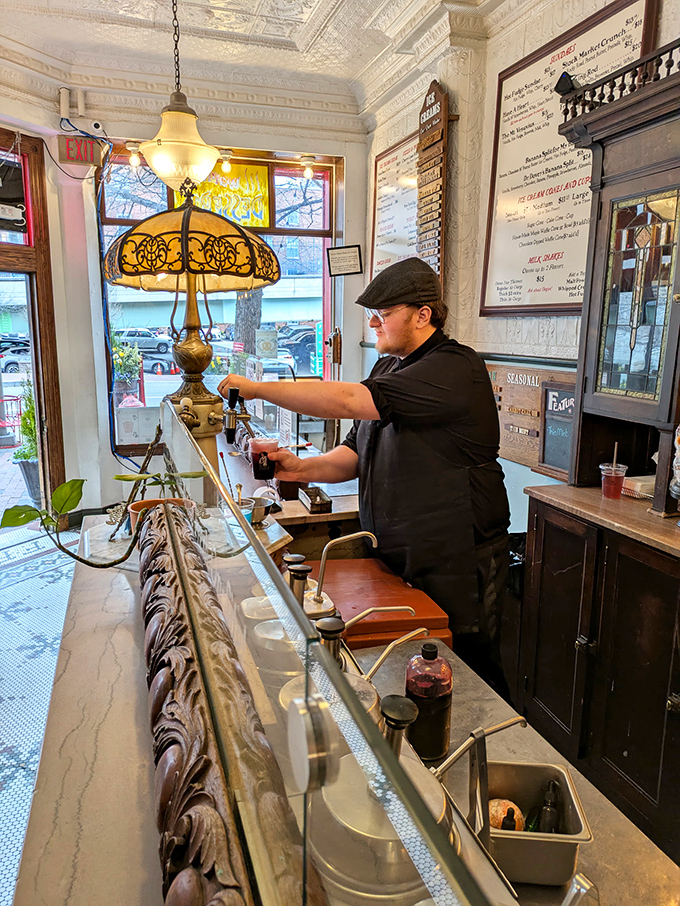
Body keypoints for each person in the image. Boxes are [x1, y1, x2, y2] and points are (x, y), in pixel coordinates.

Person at [218, 257, 510, 691]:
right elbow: (357, 452)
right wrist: (302, 467)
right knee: (406, 675)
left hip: (456, 559)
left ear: (423, 315)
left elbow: (347, 402)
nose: (373, 323)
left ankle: (489, 750)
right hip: (396, 558)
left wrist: (258, 387)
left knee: (468, 674)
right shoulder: (388, 367)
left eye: (384, 314)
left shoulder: (454, 367)